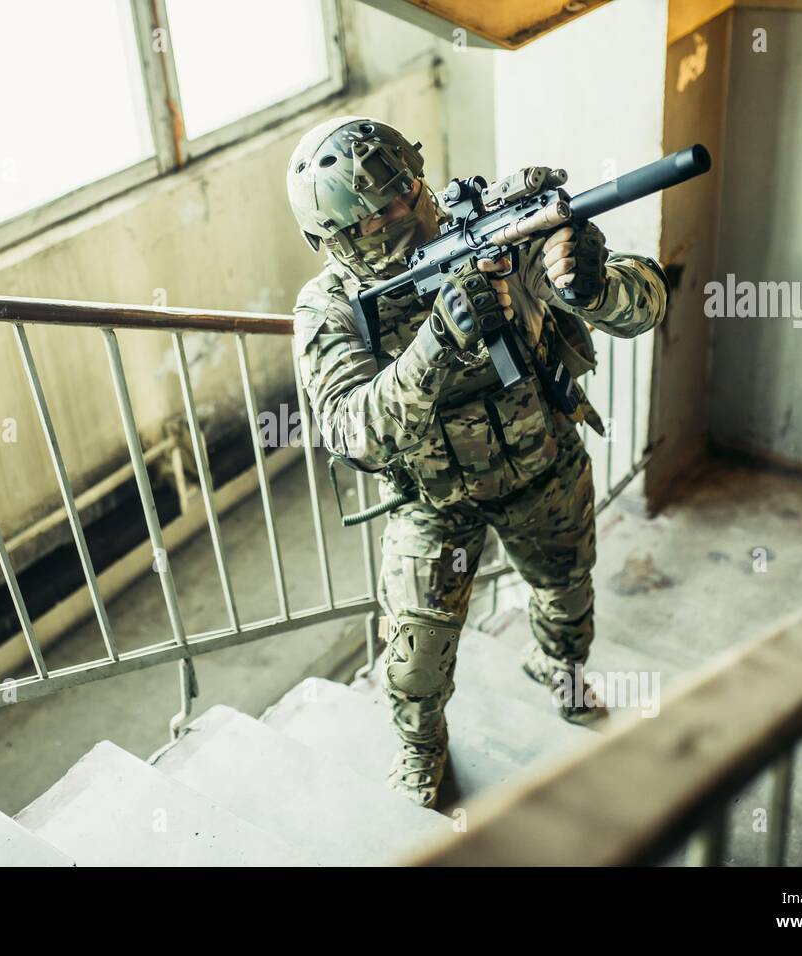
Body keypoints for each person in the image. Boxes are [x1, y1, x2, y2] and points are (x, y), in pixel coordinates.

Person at [286, 116, 669, 808]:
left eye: (407, 195)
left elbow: (647, 302)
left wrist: (589, 287)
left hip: (539, 466)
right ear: (333, 240)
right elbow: (351, 431)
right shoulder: (329, 308)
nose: (402, 217)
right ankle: (422, 748)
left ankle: (559, 668)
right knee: (414, 658)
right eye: (376, 221)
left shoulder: (496, 236)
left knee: (566, 591)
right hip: (433, 503)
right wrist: (437, 341)